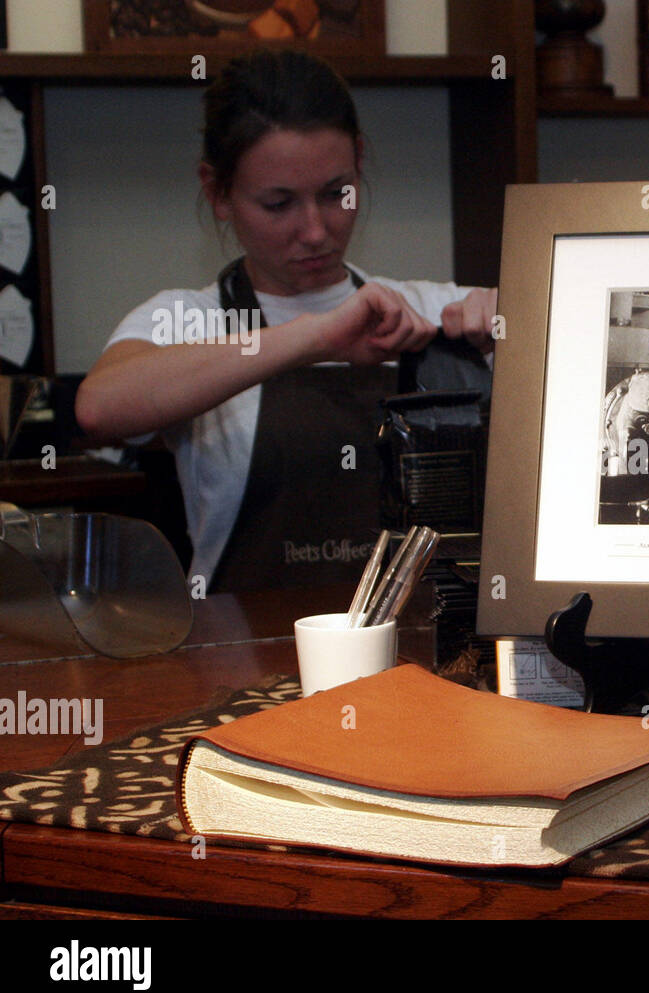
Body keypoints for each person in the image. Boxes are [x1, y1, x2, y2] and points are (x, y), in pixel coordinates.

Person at [75, 49, 496, 592]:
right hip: (240, 661)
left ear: (360, 162)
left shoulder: (430, 309)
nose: (316, 230)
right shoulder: (190, 320)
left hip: (414, 661)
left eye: (334, 193)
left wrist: (521, 320)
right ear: (218, 192)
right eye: (279, 204)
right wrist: (317, 335)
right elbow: (99, 408)